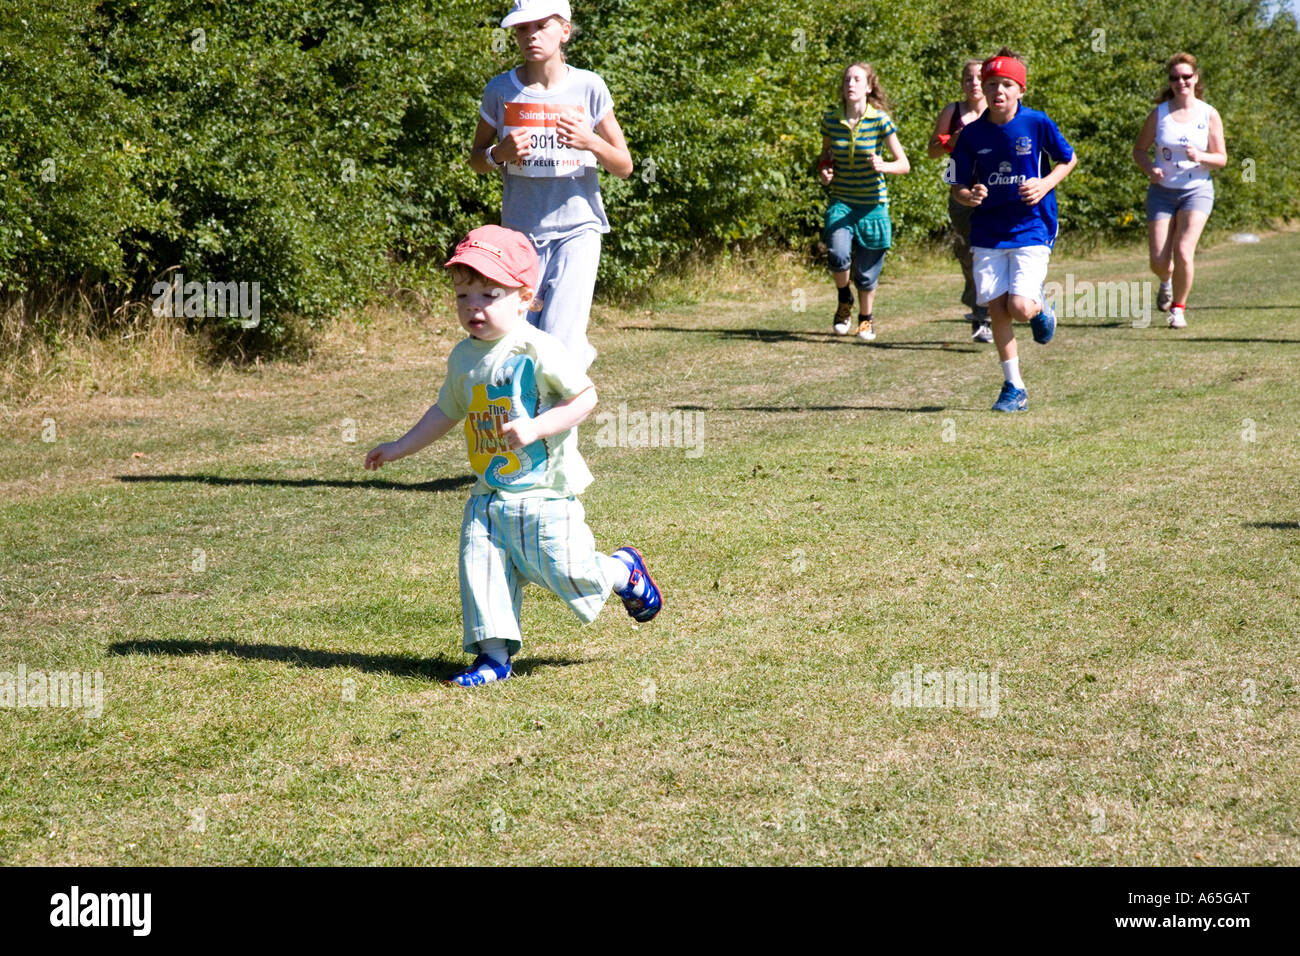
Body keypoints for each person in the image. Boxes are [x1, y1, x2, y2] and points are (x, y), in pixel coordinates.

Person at [364, 225, 662, 687]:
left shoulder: (537, 347)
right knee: (481, 572)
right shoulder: (463, 357)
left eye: (489, 293)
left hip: (546, 492)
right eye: (463, 295)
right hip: (490, 494)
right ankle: (493, 658)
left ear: (524, 297)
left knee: (568, 571)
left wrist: (536, 427)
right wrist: (399, 448)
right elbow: (446, 410)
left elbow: (585, 397)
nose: (473, 306)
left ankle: (623, 569)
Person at [469, 0, 633, 371]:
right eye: (522, 29)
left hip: (579, 229)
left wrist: (590, 141)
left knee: (559, 337)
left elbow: (624, 166)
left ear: (565, 31)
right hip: (521, 234)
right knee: (521, 336)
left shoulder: (589, 86)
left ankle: (562, 393)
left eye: (541, 26)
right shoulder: (500, 90)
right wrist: (500, 152)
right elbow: (477, 160)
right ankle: (571, 362)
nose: (530, 36)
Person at [948, 48, 1077, 413]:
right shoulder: (971, 135)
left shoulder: (1037, 123)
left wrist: (1045, 183)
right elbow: (954, 181)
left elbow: (1068, 158)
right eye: (991, 84)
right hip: (988, 230)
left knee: (1019, 306)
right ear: (983, 89)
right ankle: (1013, 386)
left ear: (1021, 89)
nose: (998, 91)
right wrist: (968, 194)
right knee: (997, 309)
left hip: (1031, 225)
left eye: (1006, 84)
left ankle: (1040, 311)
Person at [1131, 52, 1226, 329]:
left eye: (1186, 77)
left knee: (1184, 250)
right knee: (1159, 261)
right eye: (1175, 78)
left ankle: (1178, 309)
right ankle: (1166, 281)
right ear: (1170, 82)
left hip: (1196, 190)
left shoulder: (1209, 114)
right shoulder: (1159, 114)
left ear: (1196, 78)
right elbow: (1139, 150)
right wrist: (1150, 169)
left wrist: (1201, 156)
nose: (1181, 82)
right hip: (1162, 192)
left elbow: (1221, 158)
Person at [818, 62, 910, 342]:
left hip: (873, 205)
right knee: (837, 253)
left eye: (857, 79)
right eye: (847, 79)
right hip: (843, 202)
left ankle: (865, 320)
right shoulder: (831, 120)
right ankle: (844, 300)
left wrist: (884, 165)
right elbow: (825, 157)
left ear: (869, 87)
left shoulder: (880, 121)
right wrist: (824, 171)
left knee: (867, 274)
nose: (851, 84)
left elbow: (903, 164)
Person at [928, 59, 992, 343]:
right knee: (970, 253)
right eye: (968, 78)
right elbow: (931, 151)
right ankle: (980, 309)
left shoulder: (999, 110)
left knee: (992, 251)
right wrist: (950, 141)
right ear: (962, 83)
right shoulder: (952, 111)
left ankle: (986, 314)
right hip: (960, 185)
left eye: (979, 78)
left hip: (997, 189)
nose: (974, 83)